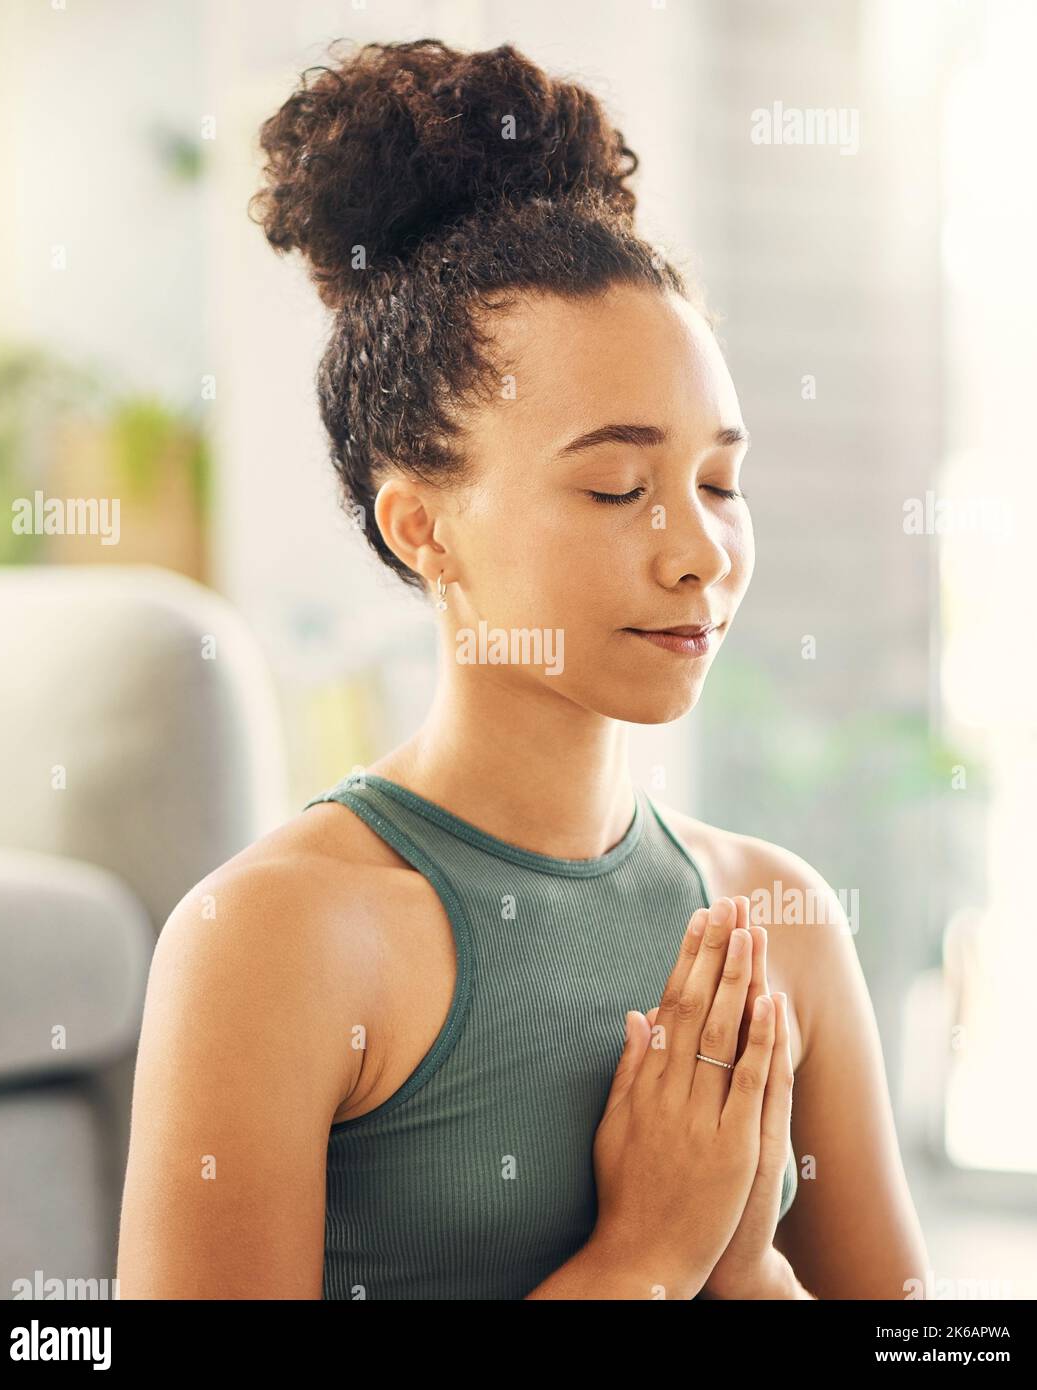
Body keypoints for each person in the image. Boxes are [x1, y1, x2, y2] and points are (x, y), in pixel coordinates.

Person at [115, 37, 928, 1300]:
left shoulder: (778, 922)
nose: (697, 552)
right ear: (422, 527)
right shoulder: (273, 941)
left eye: (718, 482)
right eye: (615, 486)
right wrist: (643, 1259)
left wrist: (745, 1272)